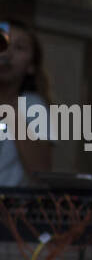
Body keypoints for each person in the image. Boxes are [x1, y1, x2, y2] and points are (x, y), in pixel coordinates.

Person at [0, 19, 53, 186]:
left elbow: (41, 171)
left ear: (31, 66)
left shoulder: (33, 105)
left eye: (19, 48)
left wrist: (8, 107)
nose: (7, 54)